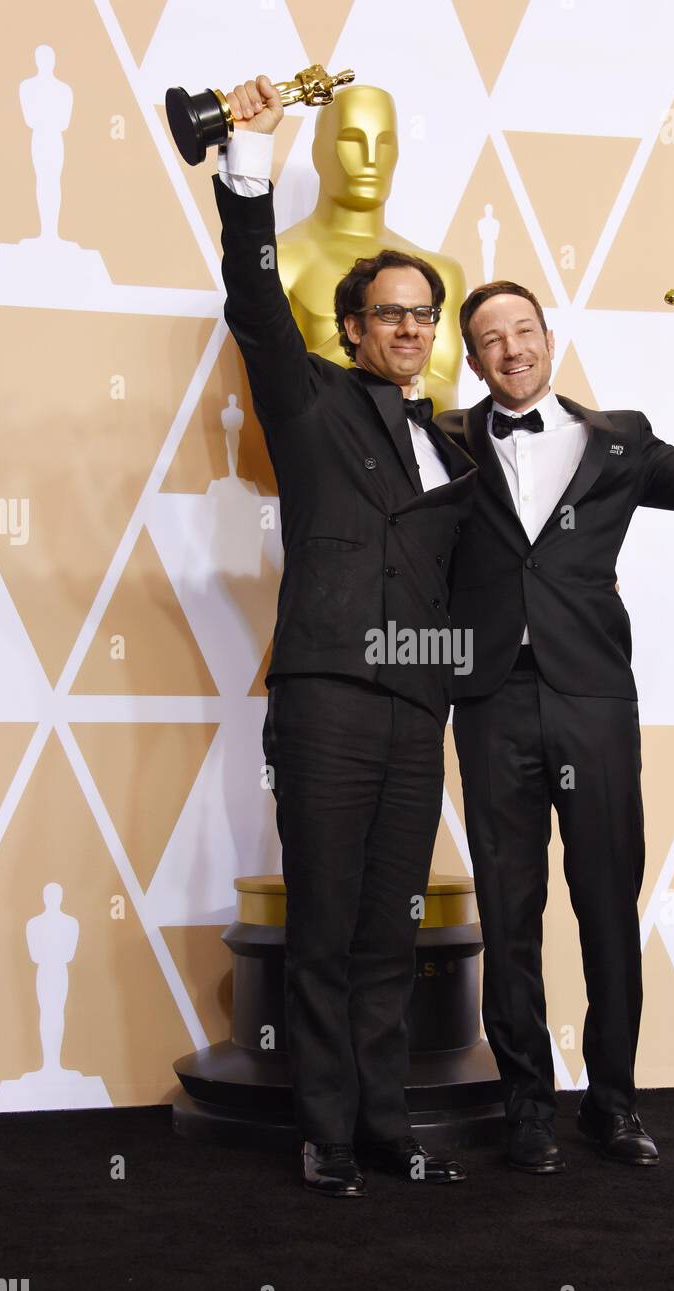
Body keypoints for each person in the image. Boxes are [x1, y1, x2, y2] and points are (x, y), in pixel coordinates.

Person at [437, 280, 674, 1172]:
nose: (510, 349)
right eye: (488, 339)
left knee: (604, 904)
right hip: (488, 701)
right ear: (471, 359)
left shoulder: (620, 437)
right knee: (510, 914)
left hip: (591, 699)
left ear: (548, 339)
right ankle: (525, 1108)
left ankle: (613, 1103)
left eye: (522, 330)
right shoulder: (443, 441)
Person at [214, 75, 477, 1196]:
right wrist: (247, 169)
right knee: (323, 922)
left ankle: (386, 1127)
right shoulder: (310, 400)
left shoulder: (462, 450)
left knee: (389, 929)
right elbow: (255, 298)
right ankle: (324, 1131)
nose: (411, 330)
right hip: (323, 697)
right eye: (391, 315)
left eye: (426, 315)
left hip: (417, 710)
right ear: (355, 326)